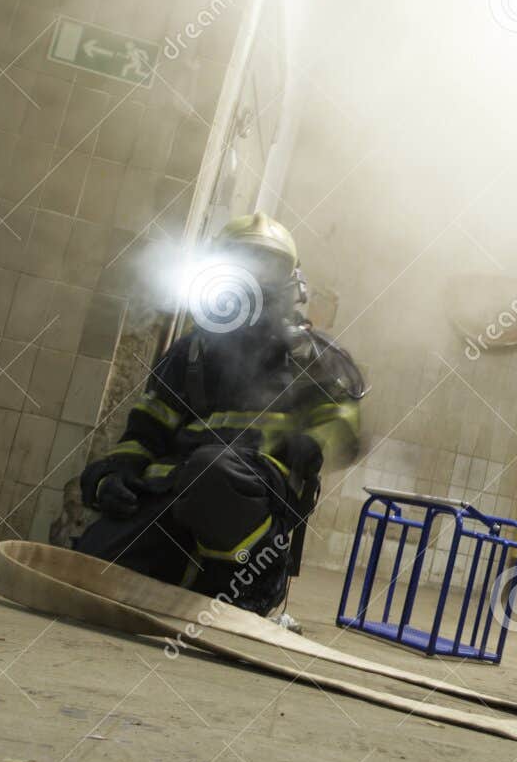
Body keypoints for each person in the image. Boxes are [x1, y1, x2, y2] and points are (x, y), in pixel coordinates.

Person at [75, 213, 366, 616]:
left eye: (267, 266)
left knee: (212, 472)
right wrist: (114, 476)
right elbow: (144, 433)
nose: (255, 277)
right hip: (179, 495)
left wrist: (310, 443)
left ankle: (249, 589)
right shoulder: (190, 354)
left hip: (250, 507)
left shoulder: (311, 358)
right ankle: (175, 575)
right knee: (93, 559)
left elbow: (345, 429)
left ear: (291, 282)